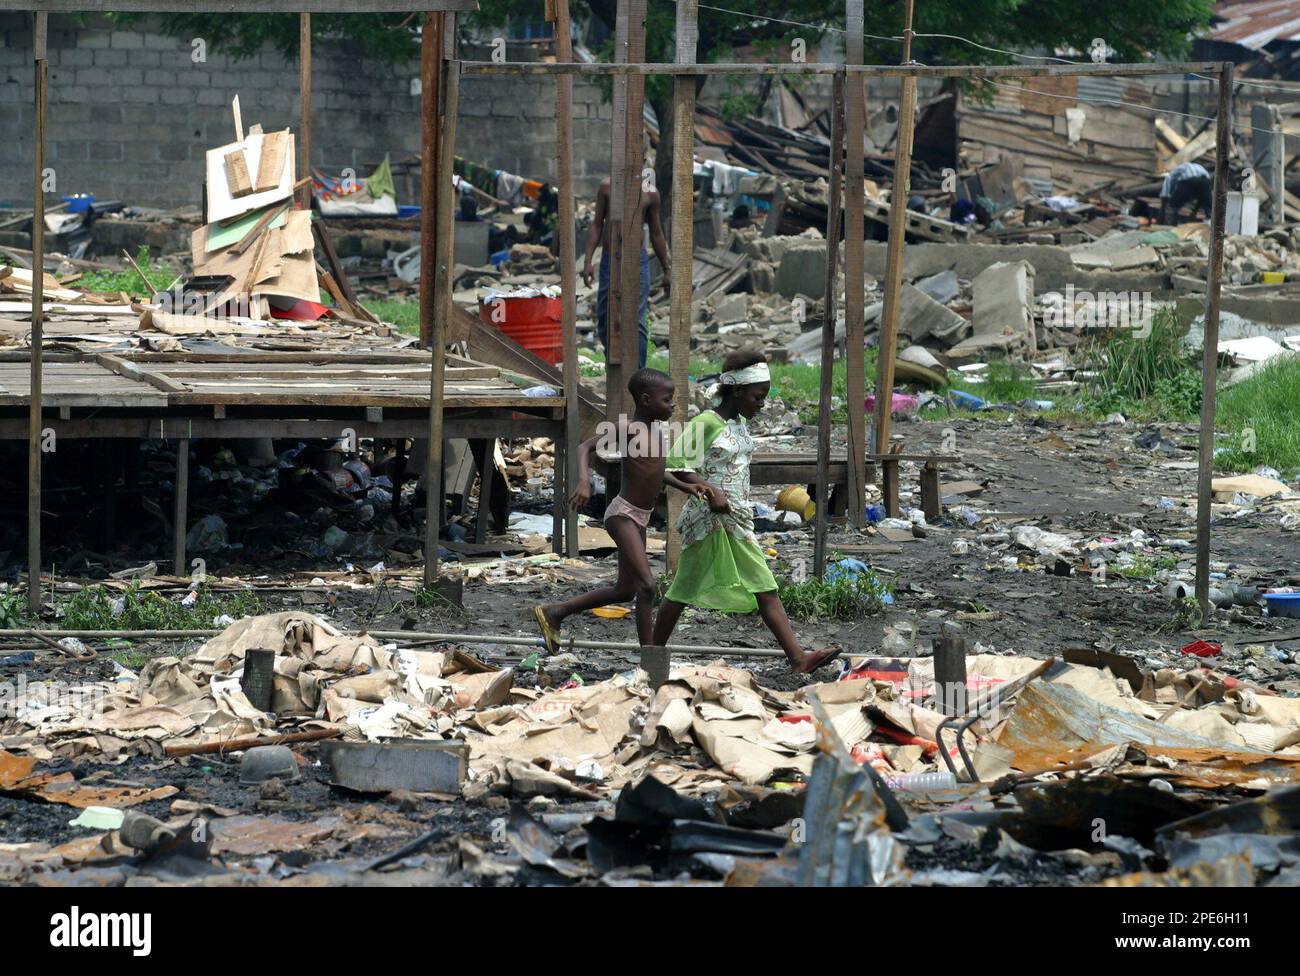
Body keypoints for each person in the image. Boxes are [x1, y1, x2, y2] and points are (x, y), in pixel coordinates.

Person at [653, 349, 840, 674]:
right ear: (737, 391)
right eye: (758, 396)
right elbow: (676, 465)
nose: (762, 404)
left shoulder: (737, 424)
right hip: (710, 521)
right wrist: (710, 490)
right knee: (751, 585)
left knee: (696, 588)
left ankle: (652, 655)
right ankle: (797, 658)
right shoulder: (705, 423)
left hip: (735, 518)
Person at [534, 368, 705, 650]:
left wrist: (687, 487)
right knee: (648, 586)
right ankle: (650, 655)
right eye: (667, 399)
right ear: (646, 400)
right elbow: (585, 448)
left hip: (640, 519)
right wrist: (584, 481)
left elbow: (654, 471)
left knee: (626, 590)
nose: (673, 405)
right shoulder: (628, 429)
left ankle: (555, 612)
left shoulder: (656, 432)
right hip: (622, 514)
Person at [583, 176, 671, 371]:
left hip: (637, 261)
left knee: (635, 320)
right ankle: (614, 368)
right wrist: (588, 261)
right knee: (606, 317)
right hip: (610, 259)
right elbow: (597, 224)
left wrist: (667, 269)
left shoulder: (650, 193)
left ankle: (636, 374)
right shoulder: (607, 187)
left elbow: (657, 233)